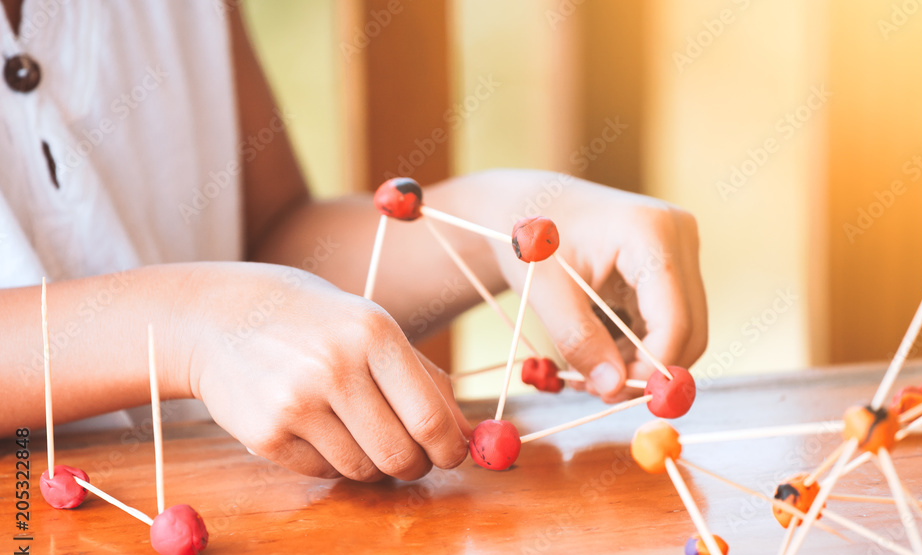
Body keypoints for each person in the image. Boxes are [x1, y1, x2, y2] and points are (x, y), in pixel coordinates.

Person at [0, 1, 706, 482]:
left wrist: (500, 216)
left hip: (233, 545)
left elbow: (272, 250)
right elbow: (225, 306)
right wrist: (189, 320)